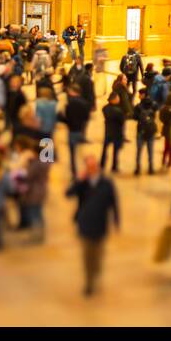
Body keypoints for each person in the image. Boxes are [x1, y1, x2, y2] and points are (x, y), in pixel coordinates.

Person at [66, 154, 120, 297]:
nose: (92, 169)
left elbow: (114, 202)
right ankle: (89, 282)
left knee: (98, 253)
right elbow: (68, 194)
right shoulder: (82, 183)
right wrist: (78, 180)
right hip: (85, 223)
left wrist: (116, 221)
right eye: (89, 167)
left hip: (101, 224)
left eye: (93, 166)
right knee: (87, 255)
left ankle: (96, 272)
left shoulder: (107, 183)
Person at [62, 83, 92, 177]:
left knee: (73, 154)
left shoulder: (69, 104)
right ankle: (85, 170)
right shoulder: (85, 103)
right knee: (81, 152)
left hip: (72, 131)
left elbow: (66, 119)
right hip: (80, 130)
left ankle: (74, 172)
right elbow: (87, 118)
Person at [99, 91, 126, 173]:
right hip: (117, 132)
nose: (119, 99)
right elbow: (122, 122)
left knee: (105, 149)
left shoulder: (105, 108)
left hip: (108, 131)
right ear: (113, 99)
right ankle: (114, 166)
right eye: (117, 98)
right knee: (115, 151)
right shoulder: (119, 111)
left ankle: (102, 164)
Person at [133, 94, 158, 176]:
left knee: (139, 151)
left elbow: (134, 117)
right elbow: (154, 116)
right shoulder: (154, 106)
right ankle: (151, 168)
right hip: (151, 131)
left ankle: (137, 168)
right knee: (150, 151)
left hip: (141, 130)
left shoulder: (138, 107)